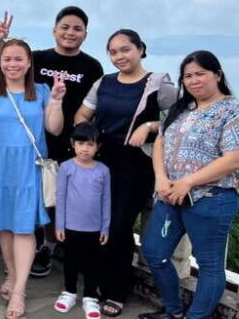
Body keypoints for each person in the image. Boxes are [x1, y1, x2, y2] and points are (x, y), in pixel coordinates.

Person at [138, 51, 239, 319]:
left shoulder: (233, 112)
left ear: (217, 75)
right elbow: (161, 141)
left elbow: (233, 160)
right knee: (154, 252)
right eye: (188, 76)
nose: (193, 80)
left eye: (200, 74)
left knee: (209, 265)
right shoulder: (181, 109)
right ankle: (173, 310)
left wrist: (188, 182)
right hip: (170, 195)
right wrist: (161, 178)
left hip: (211, 198)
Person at [0, 6, 104, 277]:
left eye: (77, 28)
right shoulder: (38, 58)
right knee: (34, 198)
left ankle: (54, 247)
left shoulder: (92, 67)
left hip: (72, 145)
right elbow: (3, 72)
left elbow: (95, 107)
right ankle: (34, 247)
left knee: (62, 200)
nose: (70, 32)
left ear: (85, 34)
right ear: (54, 30)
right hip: (35, 143)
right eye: (65, 27)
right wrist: (0, 42)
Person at [74, 29, 177, 317]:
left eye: (125, 49)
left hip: (136, 165)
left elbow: (183, 117)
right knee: (97, 224)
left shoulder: (157, 83)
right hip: (100, 162)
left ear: (140, 49)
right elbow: (82, 115)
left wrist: (150, 126)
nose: (119, 56)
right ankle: (98, 281)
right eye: (113, 51)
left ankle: (116, 290)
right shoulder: (104, 83)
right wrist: (88, 137)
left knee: (119, 227)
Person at [0, 39, 66, 318]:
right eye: (7, 59)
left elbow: (54, 128)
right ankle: (13, 274)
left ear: (29, 63)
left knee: (24, 228)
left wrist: (56, 101)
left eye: (18, 59)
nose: (12, 64)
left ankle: (19, 291)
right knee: (4, 226)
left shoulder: (41, 91)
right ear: (0, 62)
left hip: (29, 166)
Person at [53, 122, 110, 319]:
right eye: (80, 143)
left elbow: (106, 200)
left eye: (90, 144)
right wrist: (59, 224)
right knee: (71, 260)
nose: (85, 148)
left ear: (97, 147)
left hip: (94, 228)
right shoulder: (66, 167)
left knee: (93, 262)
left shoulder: (103, 170)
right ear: (73, 144)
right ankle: (69, 292)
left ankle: (90, 296)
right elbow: (60, 197)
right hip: (70, 226)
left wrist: (105, 227)